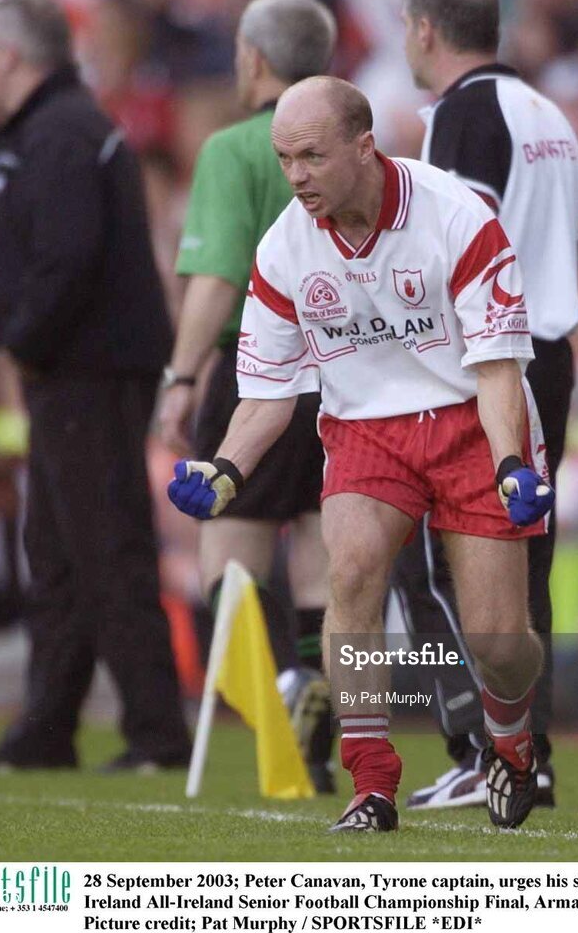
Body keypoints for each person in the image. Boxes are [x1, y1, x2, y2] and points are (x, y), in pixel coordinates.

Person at [168, 76, 554, 833]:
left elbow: (498, 366)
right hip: (366, 430)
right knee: (349, 572)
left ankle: (509, 740)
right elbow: (268, 394)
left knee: (498, 642)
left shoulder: (455, 215)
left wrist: (511, 464)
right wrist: (224, 468)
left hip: (471, 420)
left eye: (311, 156)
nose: (296, 176)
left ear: (363, 146)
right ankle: (371, 785)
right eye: (285, 159)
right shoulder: (282, 248)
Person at [0, 0, 191, 772]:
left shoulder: (58, 134)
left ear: (7, 54)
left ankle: (158, 732)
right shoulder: (58, 127)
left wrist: (21, 339)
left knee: (104, 547)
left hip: (83, 370)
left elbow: (67, 257)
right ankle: (46, 726)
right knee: (59, 553)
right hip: (74, 370)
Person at [395, 0, 578, 809]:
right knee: (525, 560)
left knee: (438, 555)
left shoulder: (462, 115)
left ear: (426, 30)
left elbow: (457, 251)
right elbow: (566, 248)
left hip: (488, 360)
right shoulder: (549, 116)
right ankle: (527, 756)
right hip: (551, 351)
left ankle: (479, 747)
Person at [156, 0, 338, 791]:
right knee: (326, 574)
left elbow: (215, 276)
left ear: (254, 57)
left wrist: (182, 374)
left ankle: (282, 709)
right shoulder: (353, 146)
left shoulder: (234, 148)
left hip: (253, 369)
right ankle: (324, 730)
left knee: (226, 570)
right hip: (342, 371)